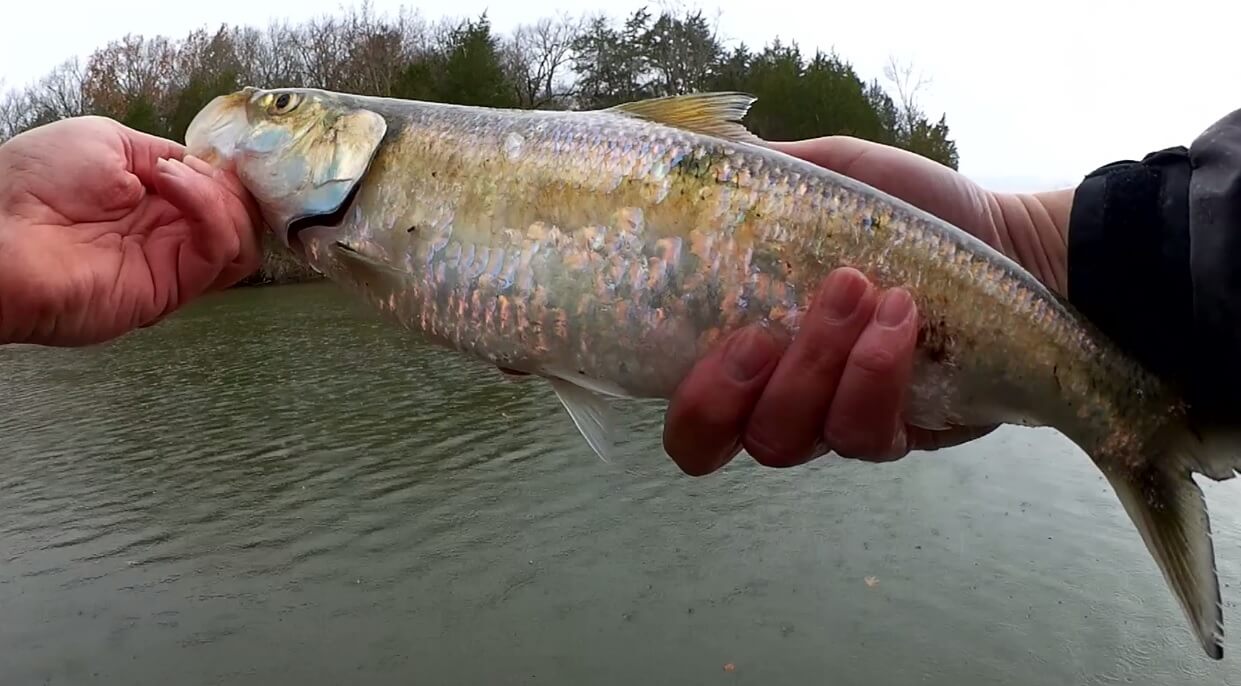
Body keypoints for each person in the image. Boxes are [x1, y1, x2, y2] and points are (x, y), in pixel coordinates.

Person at [2, 110, 1239, 475]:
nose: (245, 128)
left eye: (278, 114)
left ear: (343, 139)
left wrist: (1029, 250)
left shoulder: (386, 190)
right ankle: (1123, 412)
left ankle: (1124, 420)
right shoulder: (342, 234)